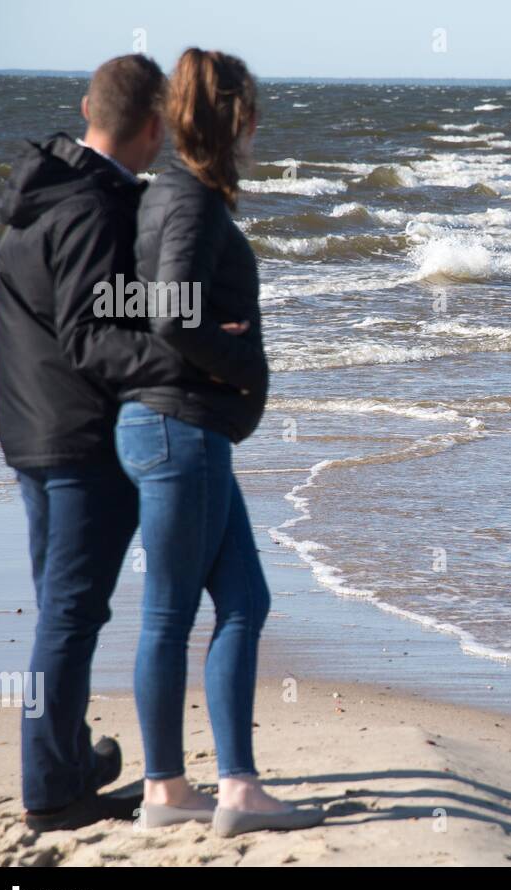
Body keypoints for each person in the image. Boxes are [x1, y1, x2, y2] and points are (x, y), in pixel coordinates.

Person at [111, 47, 321, 836]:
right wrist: (238, 361)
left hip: (178, 431)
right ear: (238, 118)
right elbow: (168, 312)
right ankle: (168, 792)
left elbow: (149, 303)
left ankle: (236, 788)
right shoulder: (191, 200)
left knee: (245, 601)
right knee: (168, 614)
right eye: (254, 111)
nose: (259, 125)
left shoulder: (168, 193)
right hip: (179, 431)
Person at [0, 54, 168, 831]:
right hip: (75, 438)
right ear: (155, 125)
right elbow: (92, 334)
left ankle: (65, 760)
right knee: (68, 617)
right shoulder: (94, 208)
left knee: (62, 612)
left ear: (89, 106)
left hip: (32, 430)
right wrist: (185, 361)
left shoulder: (47, 192)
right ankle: (51, 789)